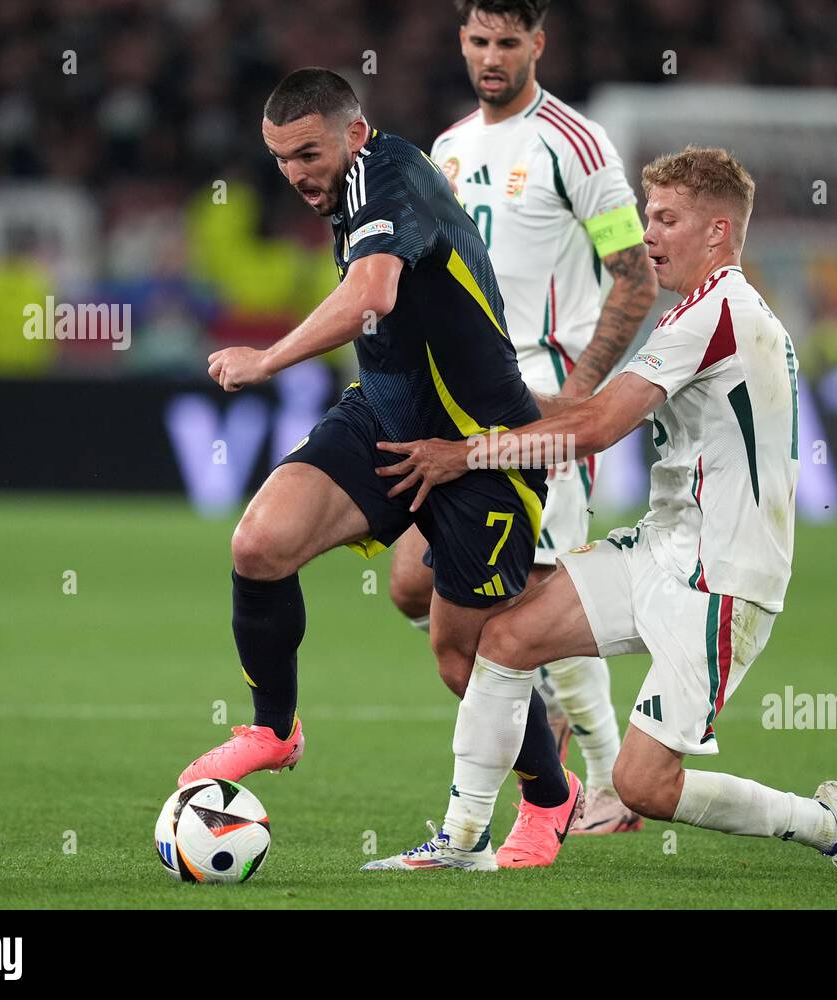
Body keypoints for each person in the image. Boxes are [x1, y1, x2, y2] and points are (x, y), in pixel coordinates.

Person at [363, 147, 837, 876]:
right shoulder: (698, 312)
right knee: (505, 638)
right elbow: (587, 410)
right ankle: (463, 840)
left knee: (643, 785)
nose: (648, 234)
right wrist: (466, 414)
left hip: (721, 580)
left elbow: (593, 431)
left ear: (718, 231)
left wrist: (463, 455)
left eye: (666, 219)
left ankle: (825, 823)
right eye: (648, 216)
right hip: (662, 549)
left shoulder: (720, 312)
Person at [180, 68, 583, 867]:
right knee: (259, 545)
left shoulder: (391, 176)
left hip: (483, 449)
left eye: (309, 152)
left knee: (463, 656)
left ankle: (549, 796)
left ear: (355, 134)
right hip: (389, 422)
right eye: (282, 159)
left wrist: (269, 360)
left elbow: (372, 296)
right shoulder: (348, 191)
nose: (297, 174)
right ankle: (274, 728)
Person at [387, 0, 657, 838]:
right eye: (478, 40)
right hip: (462, 408)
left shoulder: (577, 145)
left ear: (538, 43)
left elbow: (635, 275)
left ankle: (605, 786)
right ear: (461, 42)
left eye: (509, 41)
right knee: (410, 584)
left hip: (537, 406)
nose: (492, 56)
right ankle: (581, 765)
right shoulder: (449, 147)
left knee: (535, 601)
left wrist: (576, 400)